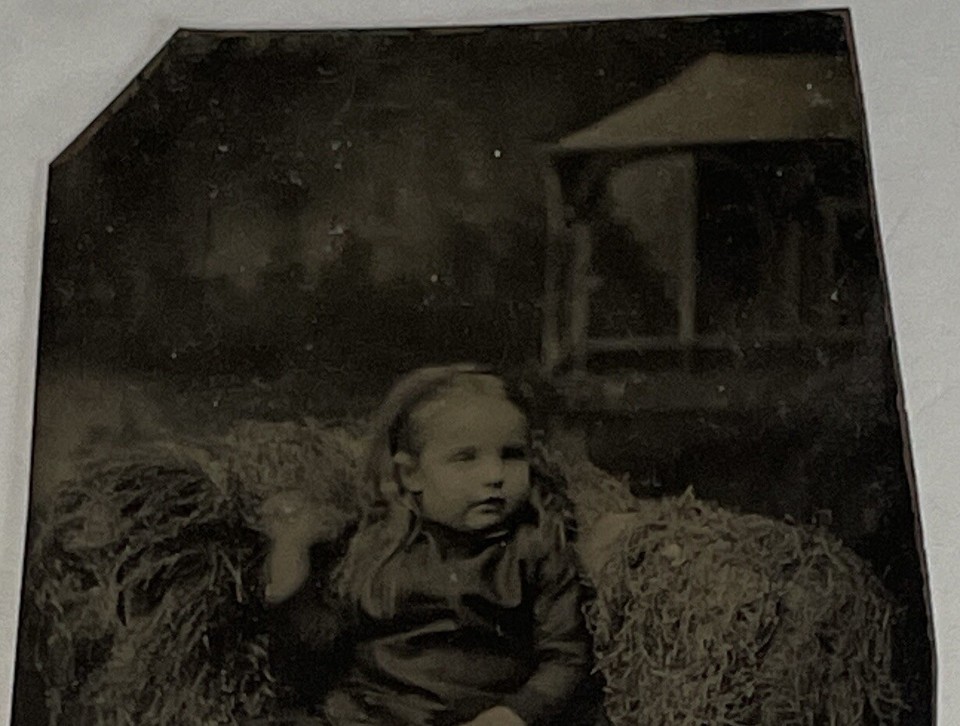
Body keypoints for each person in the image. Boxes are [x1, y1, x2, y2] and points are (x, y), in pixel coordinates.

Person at [258, 364, 600, 726]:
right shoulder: (377, 546)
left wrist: (515, 714)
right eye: (466, 457)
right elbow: (318, 650)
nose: (495, 475)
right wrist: (292, 572)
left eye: (512, 455)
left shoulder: (534, 549)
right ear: (411, 474)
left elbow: (566, 656)